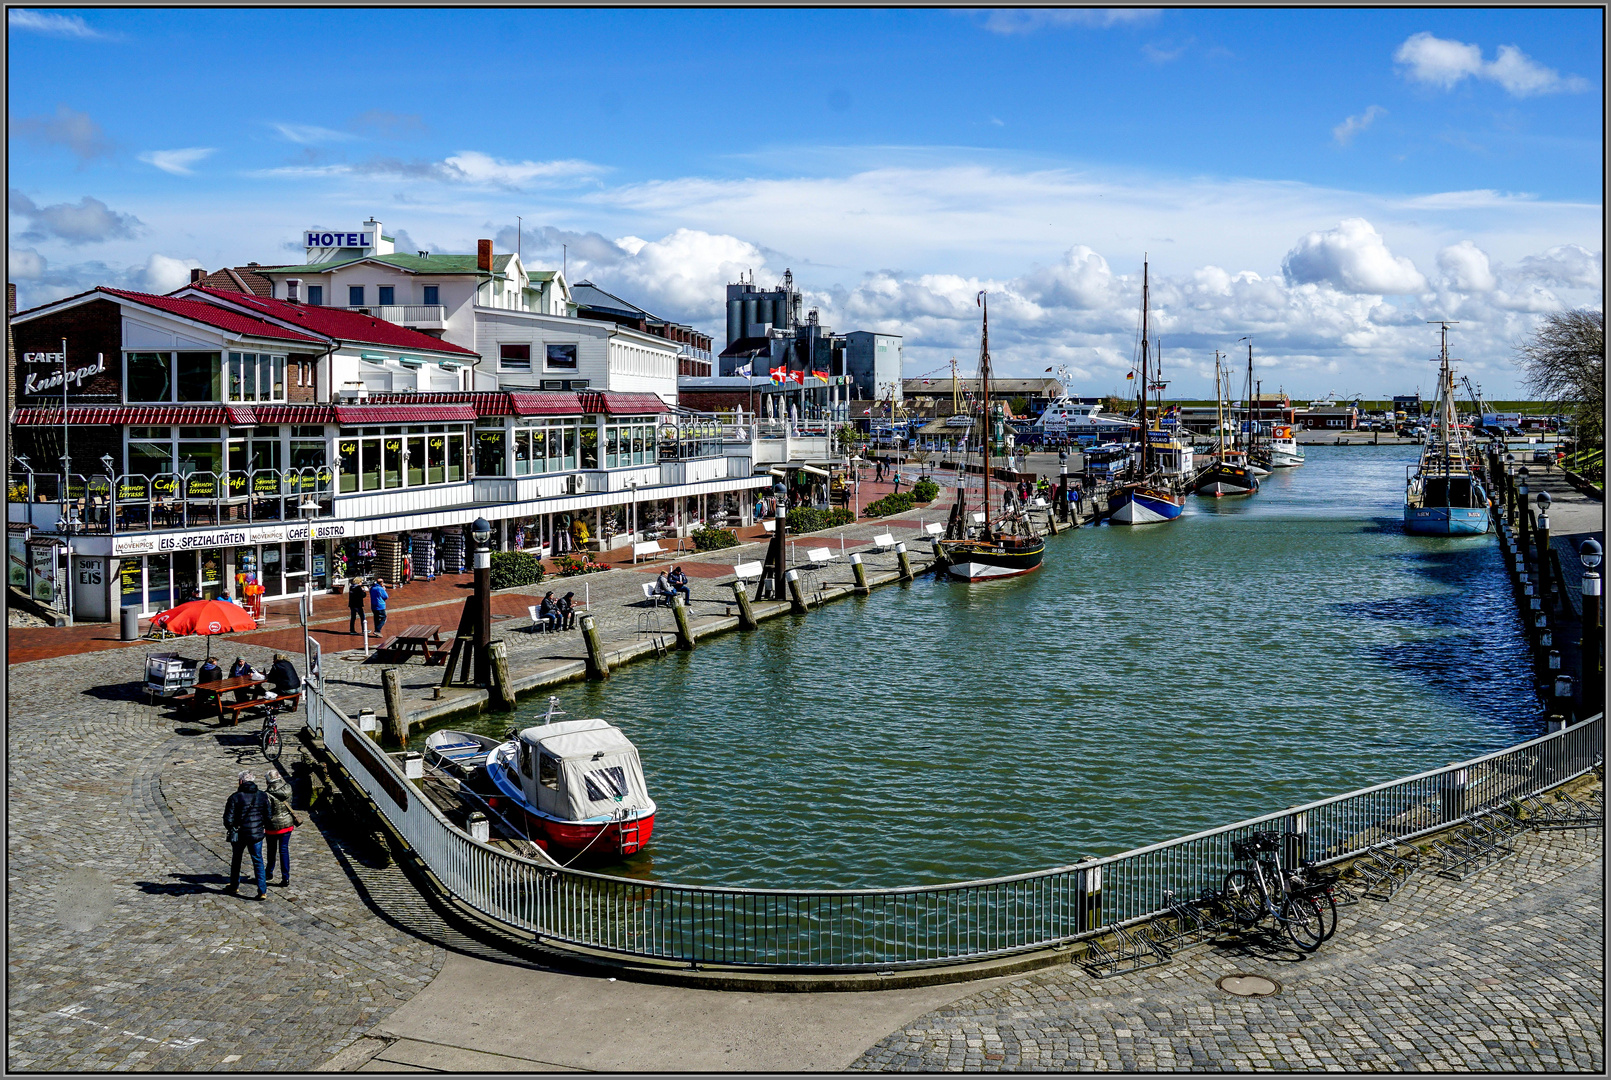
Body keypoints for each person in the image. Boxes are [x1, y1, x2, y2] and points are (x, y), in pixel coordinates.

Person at [222, 771, 270, 899]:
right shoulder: (262, 796)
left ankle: (234, 885)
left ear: (241, 782)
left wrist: (232, 828)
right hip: (256, 835)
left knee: (236, 860)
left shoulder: (235, 797)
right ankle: (262, 891)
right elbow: (268, 816)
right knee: (258, 860)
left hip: (240, 834)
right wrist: (260, 827)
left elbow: (228, 819)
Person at [263, 771, 297, 888]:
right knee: (284, 850)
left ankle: (269, 872)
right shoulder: (288, 788)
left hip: (273, 826)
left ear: (268, 781)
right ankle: (285, 877)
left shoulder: (267, 794)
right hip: (287, 824)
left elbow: (267, 812)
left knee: (271, 850)